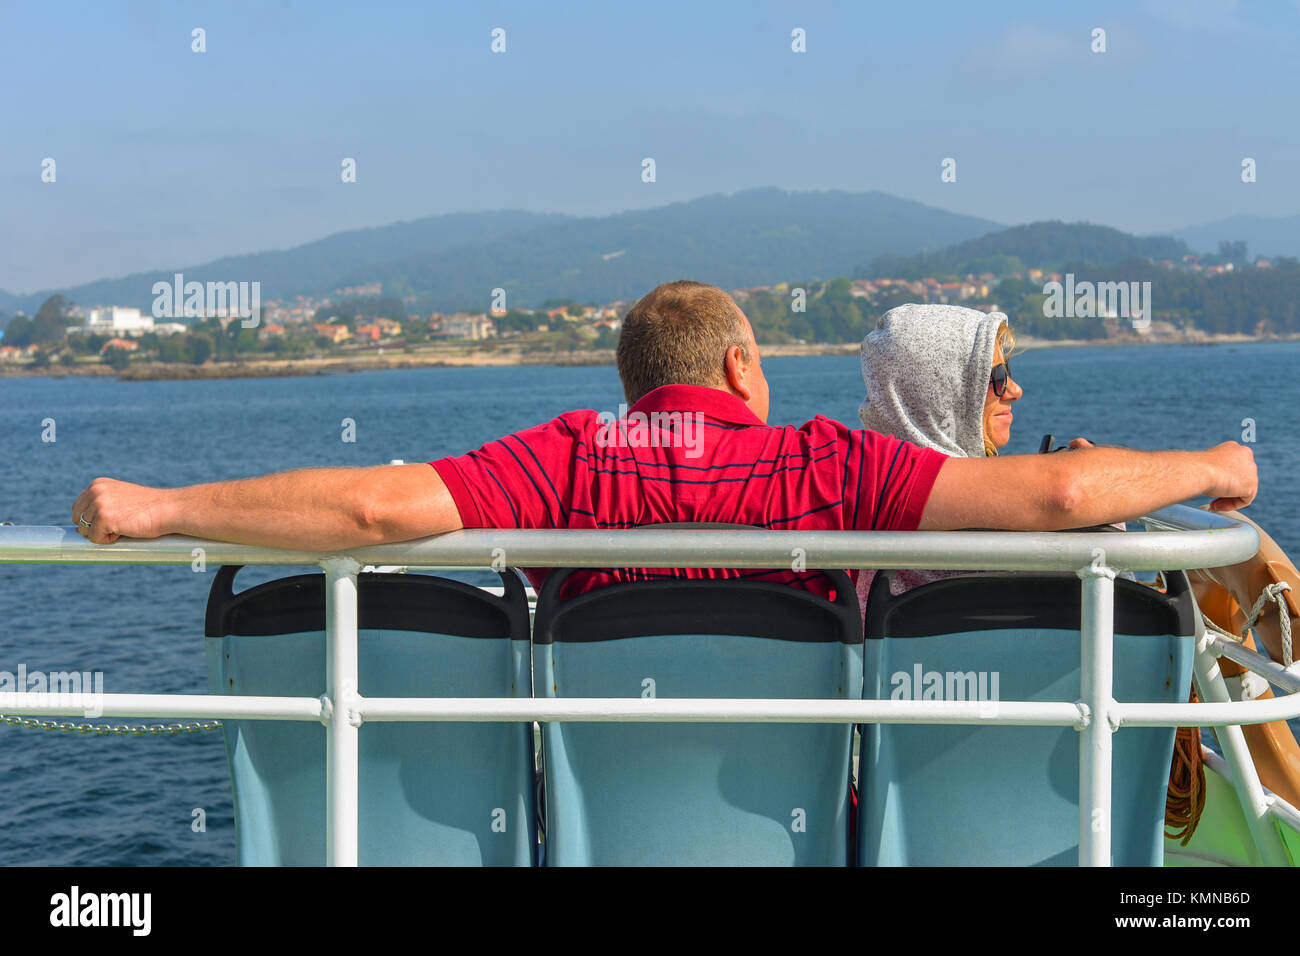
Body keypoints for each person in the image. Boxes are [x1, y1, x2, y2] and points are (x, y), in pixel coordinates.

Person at [70, 281, 1258, 602]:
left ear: (631, 380)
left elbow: (373, 513)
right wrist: (1217, 466)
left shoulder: (570, 454)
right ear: (742, 365)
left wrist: (165, 505)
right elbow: (1058, 499)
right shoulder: (830, 465)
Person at [853, 303, 1099, 612]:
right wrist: (1098, 504)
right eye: (995, 375)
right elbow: (1117, 610)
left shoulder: (854, 487)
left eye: (1007, 372)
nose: (1014, 390)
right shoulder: (993, 517)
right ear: (941, 391)